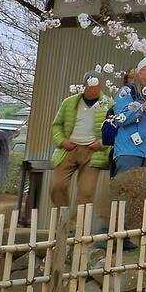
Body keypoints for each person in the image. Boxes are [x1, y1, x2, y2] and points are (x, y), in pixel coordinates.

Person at [50, 73, 110, 212]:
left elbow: (112, 129)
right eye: (89, 86)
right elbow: (57, 125)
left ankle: (77, 227)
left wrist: (101, 144)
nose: (93, 89)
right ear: (84, 86)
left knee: (86, 191)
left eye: (96, 86)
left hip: (93, 152)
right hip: (69, 148)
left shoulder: (108, 104)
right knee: (57, 185)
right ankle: (61, 220)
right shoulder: (69, 102)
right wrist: (62, 141)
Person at [109, 56, 146, 173]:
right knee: (126, 188)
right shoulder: (127, 92)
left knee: (144, 190)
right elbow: (120, 119)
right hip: (128, 150)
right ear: (140, 74)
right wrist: (145, 105)